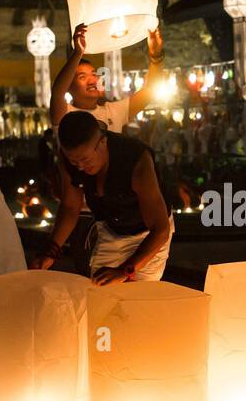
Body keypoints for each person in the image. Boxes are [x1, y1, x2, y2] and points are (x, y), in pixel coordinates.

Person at [49, 22, 167, 274]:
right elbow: (56, 95)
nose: (92, 79)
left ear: (103, 140)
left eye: (94, 73)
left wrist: (156, 54)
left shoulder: (114, 113)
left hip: (123, 206)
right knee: (87, 273)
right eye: (81, 77)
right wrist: (77, 52)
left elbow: (149, 91)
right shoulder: (68, 119)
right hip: (84, 211)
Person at [34, 110, 173, 284]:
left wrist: (126, 270)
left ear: (103, 142)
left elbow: (160, 230)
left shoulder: (136, 162)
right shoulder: (68, 159)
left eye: (85, 159)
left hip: (149, 233)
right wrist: (51, 251)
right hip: (112, 230)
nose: (80, 167)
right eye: (74, 161)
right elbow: (70, 207)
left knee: (140, 294)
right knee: (99, 291)